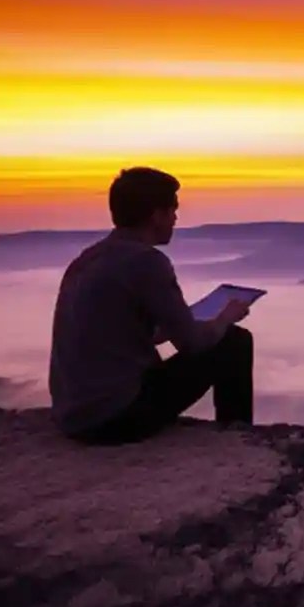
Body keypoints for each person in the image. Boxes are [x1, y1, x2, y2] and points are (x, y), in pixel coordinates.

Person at [48, 167, 254, 443]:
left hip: (73, 415)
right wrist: (225, 317)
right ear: (156, 215)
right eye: (172, 210)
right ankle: (238, 440)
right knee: (234, 342)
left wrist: (178, 321)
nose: (176, 219)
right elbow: (192, 345)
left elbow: (119, 333)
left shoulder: (88, 258)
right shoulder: (146, 261)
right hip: (114, 417)